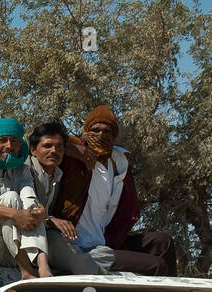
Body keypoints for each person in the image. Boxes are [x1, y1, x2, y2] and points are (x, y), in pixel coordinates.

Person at [52, 105, 176, 276]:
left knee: (163, 241)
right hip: (81, 246)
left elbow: (128, 211)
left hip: (107, 240)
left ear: (114, 135)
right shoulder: (74, 156)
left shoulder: (118, 163)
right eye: (95, 130)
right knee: (157, 266)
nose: (101, 135)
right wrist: (72, 149)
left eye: (107, 131)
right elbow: (42, 143)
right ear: (86, 132)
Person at [0, 118, 50, 280]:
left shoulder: (22, 169)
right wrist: (14, 214)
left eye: (14, 141)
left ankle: (43, 267)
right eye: (2, 140)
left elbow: (29, 196)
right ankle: (27, 272)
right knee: (11, 200)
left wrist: (38, 212)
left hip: (13, 250)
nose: (9, 146)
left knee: (33, 208)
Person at [26, 121, 103, 275]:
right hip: (27, 237)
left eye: (59, 147)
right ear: (33, 150)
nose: (54, 151)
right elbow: (25, 208)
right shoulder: (25, 169)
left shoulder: (57, 175)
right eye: (47, 146)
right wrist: (51, 219)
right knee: (85, 265)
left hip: (46, 236)